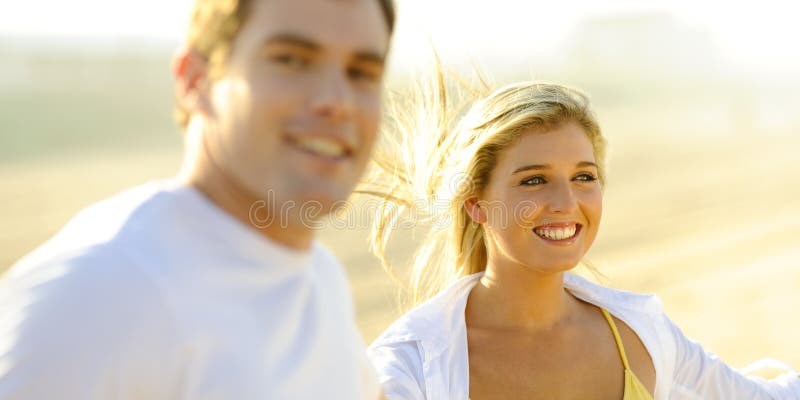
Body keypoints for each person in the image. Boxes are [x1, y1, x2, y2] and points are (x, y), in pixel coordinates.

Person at [0, 0, 395, 398]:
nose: (338, 101)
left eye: (361, 72)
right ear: (195, 80)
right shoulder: (96, 299)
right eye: (291, 60)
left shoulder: (320, 283)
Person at [358, 75, 800, 399]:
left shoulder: (642, 333)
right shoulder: (407, 369)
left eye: (583, 176)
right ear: (476, 203)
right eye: (534, 180)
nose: (566, 202)